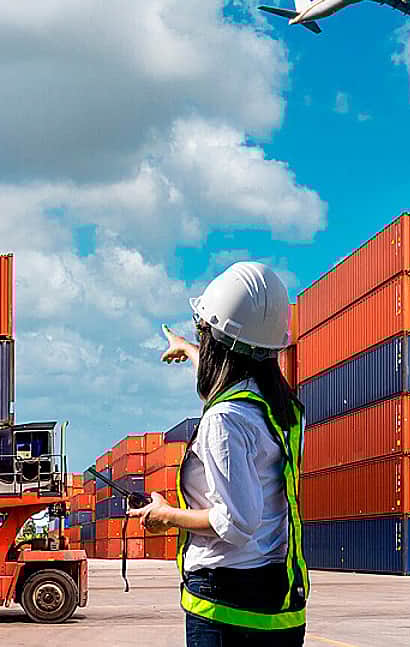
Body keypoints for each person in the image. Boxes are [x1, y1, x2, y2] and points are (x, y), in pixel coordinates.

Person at [129, 261, 307, 646]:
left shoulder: (224, 421)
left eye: (203, 332)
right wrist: (190, 351)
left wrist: (166, 516)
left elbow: (237, 523)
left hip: (226, 607)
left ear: (217, 342)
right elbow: (232, 382)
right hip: (276, 599)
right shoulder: (283, 409)